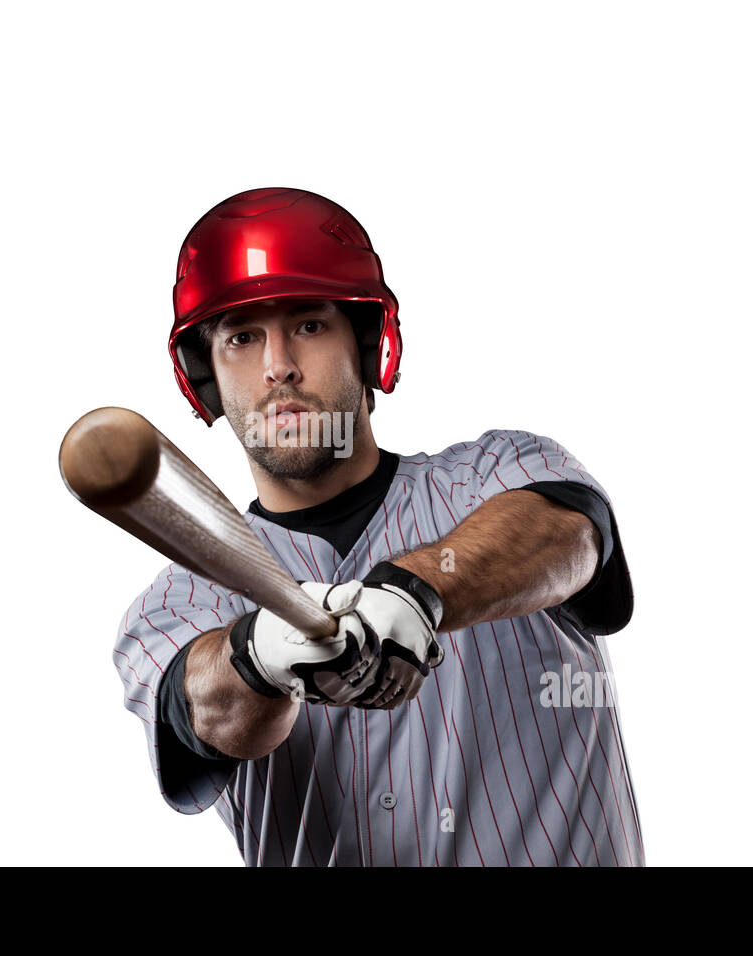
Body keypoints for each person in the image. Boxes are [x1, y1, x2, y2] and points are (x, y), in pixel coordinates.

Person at [113, 187, 642, 866]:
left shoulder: (497, 472)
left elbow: (563, 537)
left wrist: (413, 592)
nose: (278, 366)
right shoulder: (181, 600)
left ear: (367, 344)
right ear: (206, 377)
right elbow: (212, 711)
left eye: (308, 324)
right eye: (242, 338)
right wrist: (261, 654)